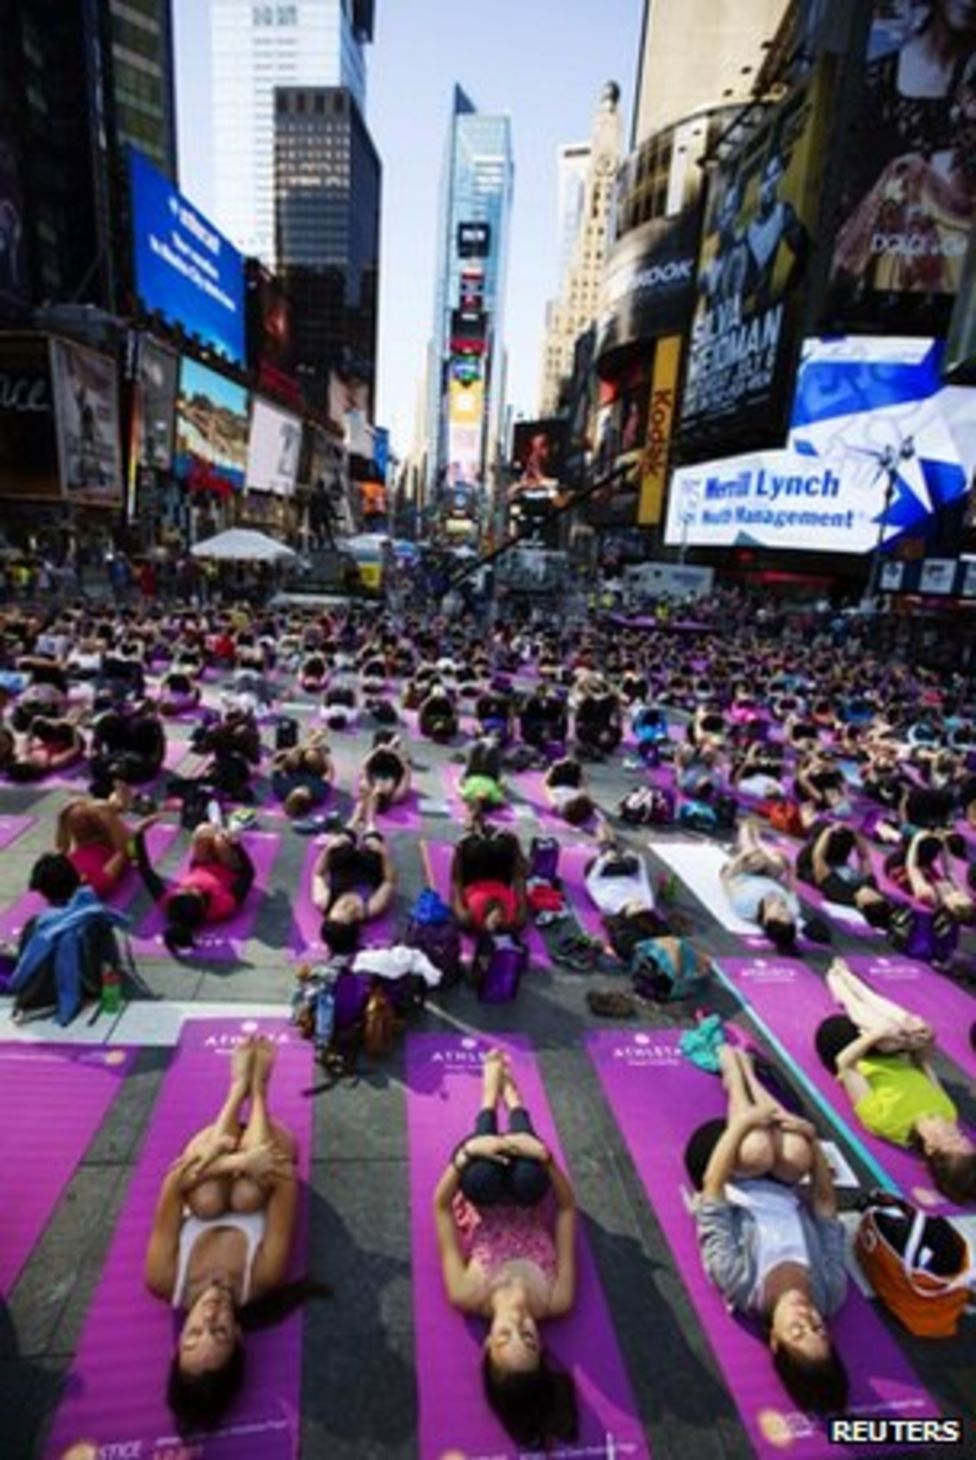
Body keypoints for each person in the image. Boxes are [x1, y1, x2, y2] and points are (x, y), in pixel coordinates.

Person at [144, 1036, 326, 1431]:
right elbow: (285, 1182)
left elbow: (174, 1182)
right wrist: (245, 1159)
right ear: (240, 1337)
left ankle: (236, 1089)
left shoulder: (163, 1279)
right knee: (245, 1197)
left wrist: (229, 1158)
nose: (209, 1314)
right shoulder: (260, 1280)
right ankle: (260, 1090)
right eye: (221, 1330)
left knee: (207, 1200)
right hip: (269, 1149)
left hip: (211, 1148)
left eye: (193, 1333)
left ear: (177, 1344)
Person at [688, 1044, 849, 1414]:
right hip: (781, 1182)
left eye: (798, 1332)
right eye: (819, 1330)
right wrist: (812, 1139)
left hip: (723, 1164)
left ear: (775, 1341)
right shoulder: (831, 1292)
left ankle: (736, 1076)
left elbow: (712, 1189)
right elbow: (825, 1206)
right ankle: (749, 1080)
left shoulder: (738, 1281)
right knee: (796, 1151)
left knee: (758, 1148)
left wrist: (741, 1125)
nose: (807, 1318)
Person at [433, 1048, 578, 1449]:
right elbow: (566, 1211)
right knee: (531, 1180)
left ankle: (488, 1095)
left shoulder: (467, 1294)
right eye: (529, 1339)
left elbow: (441, 1208)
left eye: (504, 1336)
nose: (518, 1323)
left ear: (486, 1346)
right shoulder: (555, 1300)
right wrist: (546, 1159)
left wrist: (464, 1156)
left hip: (482, 1189)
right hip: (528, 1190)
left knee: (480, 1179)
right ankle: (513, 1100)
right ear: (542, 1345)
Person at [815, 960, 976, 1205]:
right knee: (913, 1026)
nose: (958, 1132)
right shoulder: (948, 1113)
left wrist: (876, 1035)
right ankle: (847, 981)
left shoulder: (888, 1122)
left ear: (931, 1148)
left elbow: (845, 1064)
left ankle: (841, 980)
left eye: (953, 1140)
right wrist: (927, 1040)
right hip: (890, 1049)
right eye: (964, 1139)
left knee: (888, 1031)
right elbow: (922, 1064)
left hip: (846, 1046)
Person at [134, 819, 256, 955]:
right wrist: (236, 844)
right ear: (202, 903)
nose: (185, 887)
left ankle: (216, 825)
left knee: (202, 830)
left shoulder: (171, 904)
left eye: (182, 889)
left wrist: (138, 835)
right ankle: (222, 830)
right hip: (229, 867)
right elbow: (248, 874)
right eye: (191, 890)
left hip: (202, 862)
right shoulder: (223, 906)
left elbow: (145, 871)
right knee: (219, 841)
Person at [310, 790, 396, 953]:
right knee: (372, 845)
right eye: (348, 912)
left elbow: (318, 874)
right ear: (354, 924)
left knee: (340, 846)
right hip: (369, 864)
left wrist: (328, 849)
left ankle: (356, 817)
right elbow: (389, 881)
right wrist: (384, 853)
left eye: (338, 909)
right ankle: (370, 819)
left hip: (344, 861)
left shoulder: (323, 902)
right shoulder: (372, 908)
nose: (344, 906)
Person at [55, 791, 155, 899]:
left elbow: (124, 849)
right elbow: (123, 850)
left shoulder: (77, 856)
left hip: (94, 863)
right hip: (95, 873)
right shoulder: (96, 882)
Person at [795, 821, 895, 928]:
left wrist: (829, 831)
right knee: (845, 834)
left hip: (809, 864)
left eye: (871, 897)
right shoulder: (871, 887)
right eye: (878, 895)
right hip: (837, 861)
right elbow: (864, 856)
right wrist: (854, 832)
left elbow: (817, 858)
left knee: (822, 828)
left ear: (861, 905)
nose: (873, 892)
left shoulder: (840, 892)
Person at [721, 818, 801, 950]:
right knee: (780, 861)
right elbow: (792, 887)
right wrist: (791, 868)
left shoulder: (745, 906)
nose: (784, 910)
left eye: (780, 914)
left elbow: (726, 879)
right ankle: (758, 840)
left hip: (740, 873)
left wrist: (741, 856)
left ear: (766, 920)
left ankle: (747, 834)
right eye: (788, 915)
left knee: (757, 858)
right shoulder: (793, 909)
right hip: (766, 876)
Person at [450, 817, 527, 933]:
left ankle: (475, 825)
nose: (498, 919)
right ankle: (484, 828)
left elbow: (456, 883)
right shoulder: (516, 921)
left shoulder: (468, 919)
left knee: (476, 846)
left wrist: (458, 852)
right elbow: (520, 880)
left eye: (493, 923)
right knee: (503, 844)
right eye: (501, 921)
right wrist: (516, 848)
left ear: (485, 924)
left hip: (473, 878)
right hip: (500, 877)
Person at [358, 731, 412, 811]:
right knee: (401, 750)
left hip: (377, 766)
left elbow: (364, 765)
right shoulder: (396, 795)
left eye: (377, 788)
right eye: (381, 789)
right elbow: (407, 771)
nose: (380, 785)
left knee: (380, 737)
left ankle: (390, 743)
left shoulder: (367, 787)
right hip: (394, 768)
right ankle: (394, 743)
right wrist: (394, 752)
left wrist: (377, 749)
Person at [543, 756, 594, 826]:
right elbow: (584, 783)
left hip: (557, 791)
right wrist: (588, 797)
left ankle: (556, 804)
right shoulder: (577, 766)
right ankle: (566, 808)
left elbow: (546, 782)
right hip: (572, 791)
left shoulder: (556, 765)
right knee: (576, 802)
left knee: (553, 796)